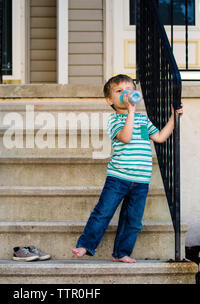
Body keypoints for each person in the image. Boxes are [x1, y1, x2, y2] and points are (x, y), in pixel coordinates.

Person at [72, 74, 184, 263]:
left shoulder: (143, 119)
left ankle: (121, 252)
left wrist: (174, 118)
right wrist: (131, 111)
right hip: (118, 178)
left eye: (130, 90)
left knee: (132, 221)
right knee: (103, 212)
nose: (126, 93)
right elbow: (125, 136)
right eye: (120, 91)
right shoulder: (114, 120)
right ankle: (85, 244)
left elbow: (160, 137)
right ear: (110, 100)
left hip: (141, 181)